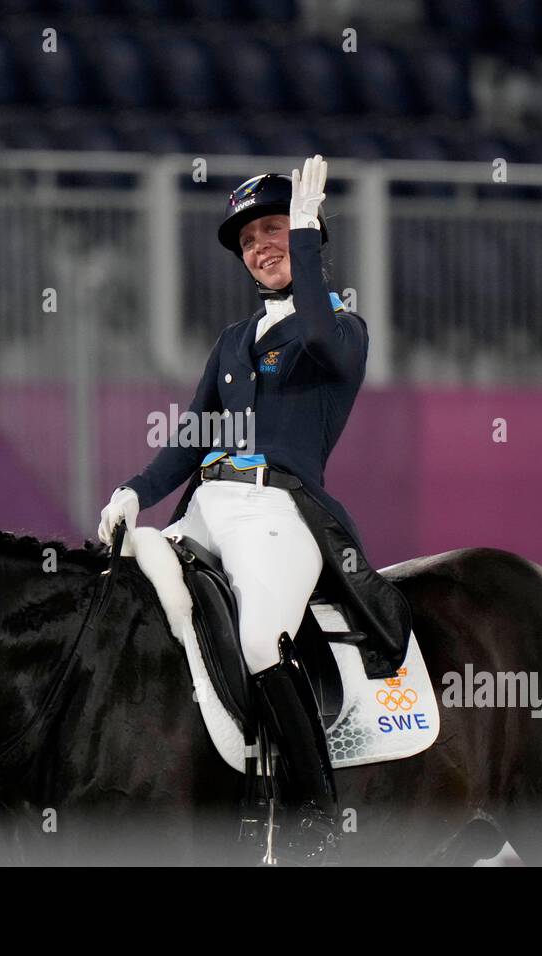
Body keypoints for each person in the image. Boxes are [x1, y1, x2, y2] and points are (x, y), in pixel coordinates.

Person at [98, 156, 378, 865]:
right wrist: (133, 490)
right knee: (126, 582)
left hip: (281, 512)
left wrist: (308, 239)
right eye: (249, 238)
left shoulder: (341, 326)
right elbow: (192, 440)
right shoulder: (231, 342)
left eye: (275, 228)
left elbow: (315, 331)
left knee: (260, 642)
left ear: (309, 233)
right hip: (209, 507)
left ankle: (315, 812)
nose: (261, 245)